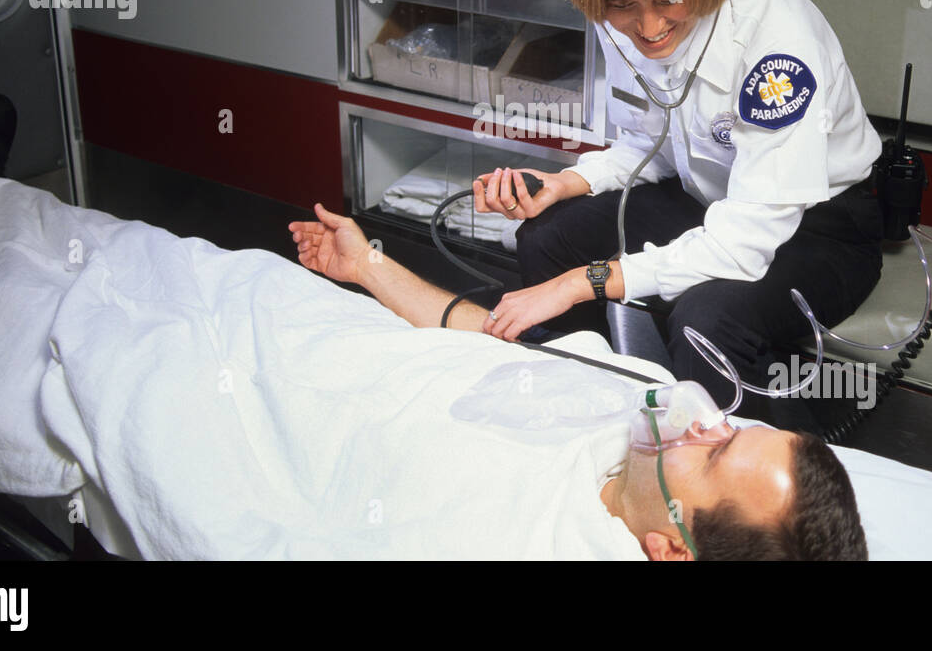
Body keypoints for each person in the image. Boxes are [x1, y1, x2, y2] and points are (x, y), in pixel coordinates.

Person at [468, 0, 884, 430]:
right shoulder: (619, 15)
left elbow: (742, 246)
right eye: (621, 5)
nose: (647, 27)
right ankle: (594, 423)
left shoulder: (777, 45)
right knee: (546, 238)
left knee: (704, 324)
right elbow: (650, 141)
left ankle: (738, 482)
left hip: (820, 227)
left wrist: (582, 283)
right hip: (707, 197)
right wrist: (567, 184)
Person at [289, 203, 868, 560]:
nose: (701, 417)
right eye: (732, 429)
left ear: (669, 550)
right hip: (376, 342)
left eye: (712, 454)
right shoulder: (635, 394)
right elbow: (484, 339)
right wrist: (367, 266)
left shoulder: (517, 535)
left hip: (315, 399)